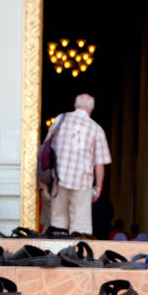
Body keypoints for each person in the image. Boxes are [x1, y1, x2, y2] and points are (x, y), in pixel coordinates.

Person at [47, 94, 112, 236]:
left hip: (60, 176)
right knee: (80, 225)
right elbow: (99, 163)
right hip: (83, 180)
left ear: (75, 105)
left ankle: (57, 251)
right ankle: (77, 254)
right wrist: (98, 188)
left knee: (58, 220)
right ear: (91, 109)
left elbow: (48, 146)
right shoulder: (96, 129)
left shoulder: (60, 120)